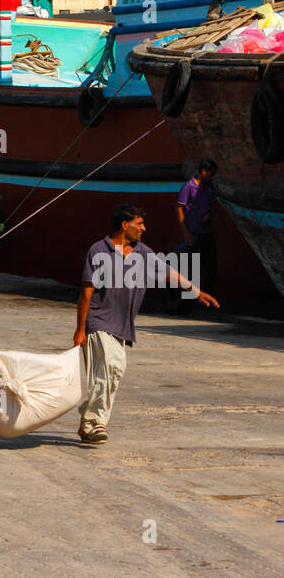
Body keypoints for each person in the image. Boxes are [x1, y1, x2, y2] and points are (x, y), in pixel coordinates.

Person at [75, 204, 219, 444]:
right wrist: (80, 329)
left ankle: (88, 425)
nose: (144, 228)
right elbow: (86, 292)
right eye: (139, 224)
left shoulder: (142, 252)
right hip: (98, 320)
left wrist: (196, 291)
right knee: (110, 366)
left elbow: (168, 273)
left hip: (122, 325)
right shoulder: (98, 250)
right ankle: (96, 422)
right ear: (125, 225)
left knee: (113, 371)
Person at [175, 159, 218, 299]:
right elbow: (179, 208)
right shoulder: (188, 187)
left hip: (207, 232)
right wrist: (185, 232)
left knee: (211, 267)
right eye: (211, 174)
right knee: (192, 268)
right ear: (203, 172)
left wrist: (208, 215)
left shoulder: (209, 187)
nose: (213, 178)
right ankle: (189, 299)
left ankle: (207, 298)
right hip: (193, 232)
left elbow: (211, 205)